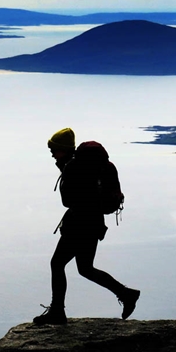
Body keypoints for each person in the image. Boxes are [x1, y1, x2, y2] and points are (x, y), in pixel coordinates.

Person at [33, 127, 141, 325]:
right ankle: (126, 294)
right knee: (85, 268)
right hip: (94, 224)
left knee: (57, 264)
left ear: (63, 149)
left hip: (78, 225)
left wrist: (65, 174)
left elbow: (67, 201)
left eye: (53, 149)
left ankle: (57, 311)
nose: (51, 153)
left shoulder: (73, 167)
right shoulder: (87, 166)